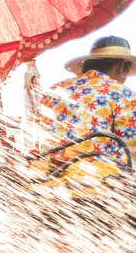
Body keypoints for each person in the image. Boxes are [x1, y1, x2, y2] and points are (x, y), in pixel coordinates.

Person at [32, 35, 136, 166]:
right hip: (95, 180)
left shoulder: (55, 90)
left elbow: (38, 141)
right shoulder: (124, 95)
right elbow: (132, 152)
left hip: (44, 176)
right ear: (121, 67)